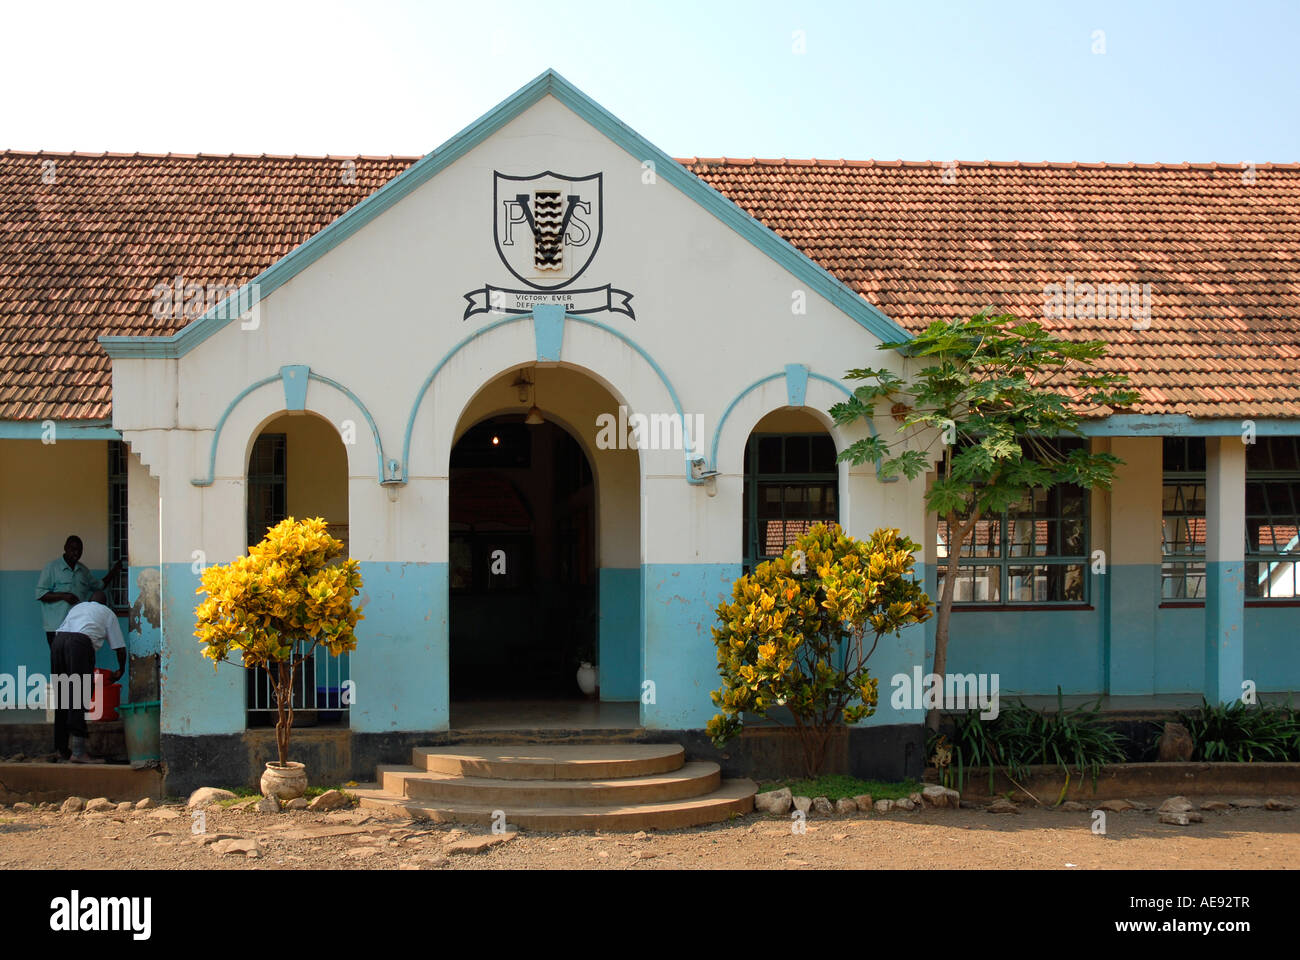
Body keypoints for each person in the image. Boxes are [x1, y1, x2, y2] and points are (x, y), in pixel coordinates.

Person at [50, 591, 127, 764]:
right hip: (79, 644)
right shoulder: (108, 613)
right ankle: (78, 752)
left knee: (63, 695)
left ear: (90, 600)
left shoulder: (78, 607)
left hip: (58, 642)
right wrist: (120, 669)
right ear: (105, 603)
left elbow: (64, 630)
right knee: (79, 694)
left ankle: (61, 750)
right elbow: (120, 648)